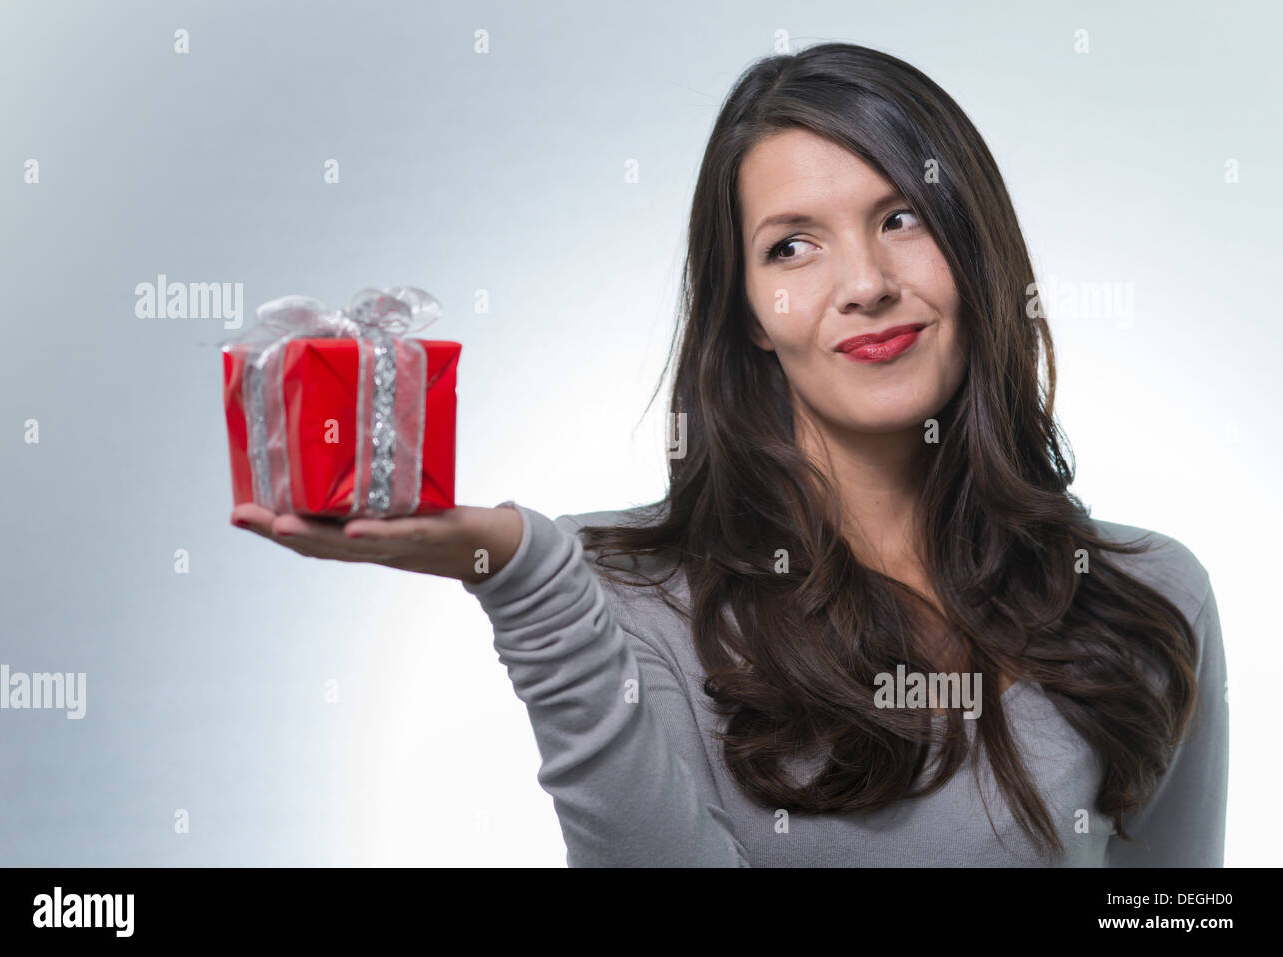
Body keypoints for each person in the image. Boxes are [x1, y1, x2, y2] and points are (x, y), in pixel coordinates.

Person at [231, 42, 1228, 867]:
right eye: (792, 245)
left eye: (901, 218)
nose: (865, 283)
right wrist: (530, 577)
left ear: (975, 249)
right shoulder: (621, 595)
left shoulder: (1142, 595)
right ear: (747, 312)